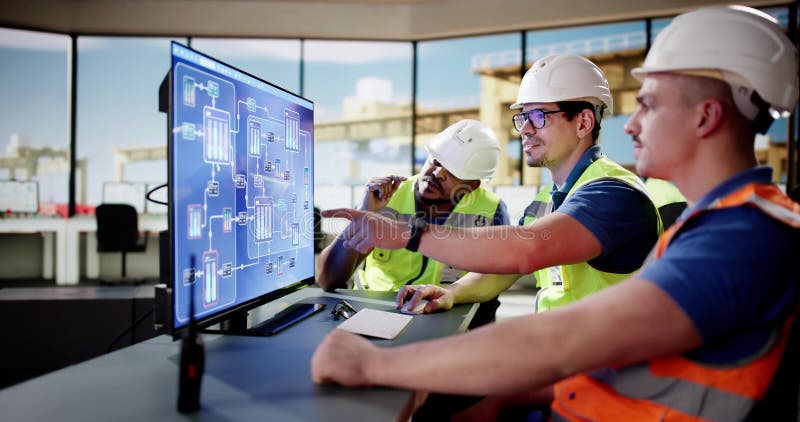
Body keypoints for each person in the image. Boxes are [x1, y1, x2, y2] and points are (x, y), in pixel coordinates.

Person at [311, 5, 800, 421]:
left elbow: (562, 326)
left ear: (706, 116)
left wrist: (376, 366)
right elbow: (610, 353)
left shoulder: (741, 236)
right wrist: (499, 396)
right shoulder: (715, 223)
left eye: (648, 104)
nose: (630, 124)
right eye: (521, 116)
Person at [324, 53, 664, 419]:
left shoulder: (612, 193)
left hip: (608, 389)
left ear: (583, 122)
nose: (525, 130)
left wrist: (406, 232)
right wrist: (454, 291)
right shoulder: (550, 197)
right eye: (523, 118)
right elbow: (508, 268)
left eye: (539, 116)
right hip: (567, 367)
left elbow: (526, 250)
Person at [317, 119, 509, 325]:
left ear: (472, 185)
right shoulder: (386, 198)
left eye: (451, 173)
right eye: (436, 161)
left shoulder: (491, 211)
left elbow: (494, 280)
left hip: (446, 320)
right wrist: (365, 213)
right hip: (374, 314)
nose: (436, 174)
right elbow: (328, 279)